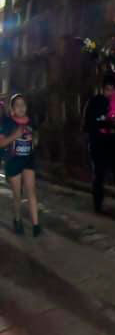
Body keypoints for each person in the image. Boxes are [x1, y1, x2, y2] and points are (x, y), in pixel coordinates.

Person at [83, 74, 115, 217]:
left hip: (114, 143)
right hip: (98, 143)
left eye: (112, 90)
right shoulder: (94, 102)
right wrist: (107, 123)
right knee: (99, 175)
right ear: (102, 89)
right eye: (107, 89)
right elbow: (88, 125)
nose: (110, 93)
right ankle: (98, 205)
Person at [1, 94, 40, 236]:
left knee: (31, 192)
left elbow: (36, 137)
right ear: (12, 108)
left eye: (23, 104)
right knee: (17, 195)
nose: (21, 107)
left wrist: (34, 140)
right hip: (13, 161)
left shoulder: (31, 122)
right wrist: (15, 136)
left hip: (28, 160)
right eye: (17, 105)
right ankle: (17, 219)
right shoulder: (7, 123)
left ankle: (36, 225)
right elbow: (2, 143)